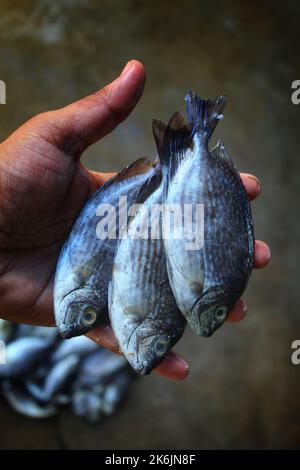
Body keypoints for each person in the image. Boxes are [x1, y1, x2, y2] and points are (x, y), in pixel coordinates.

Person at [0, 60, 271, 381]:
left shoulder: (179, 295)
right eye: (218, 310)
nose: (146, 361)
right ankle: (192, 145)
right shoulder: (178, 295)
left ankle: (185, 153)